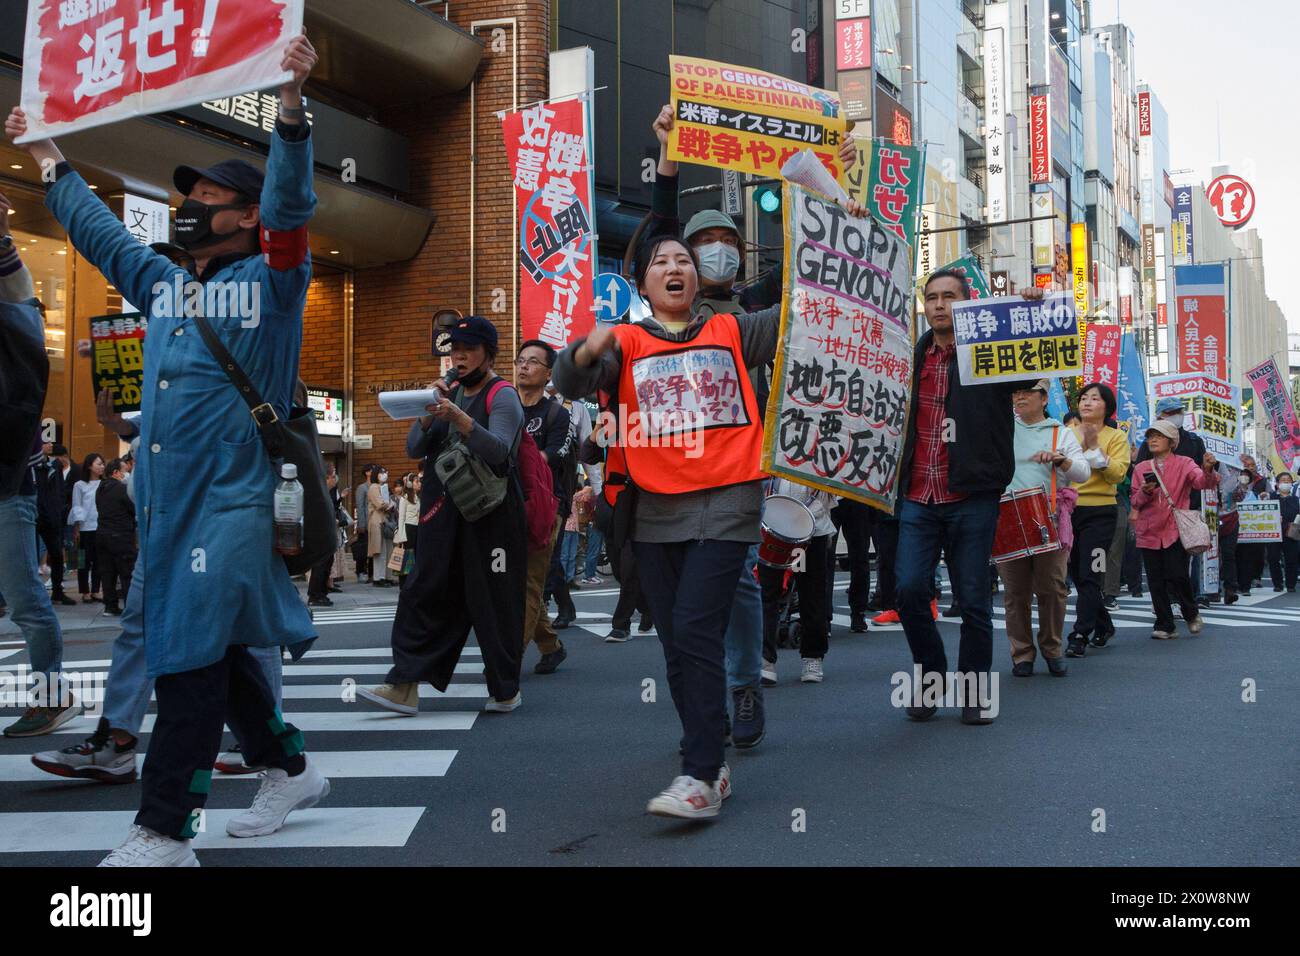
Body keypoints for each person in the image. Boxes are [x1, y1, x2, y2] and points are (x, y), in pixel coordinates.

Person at [8, 33, 330, 867]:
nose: (192, 207)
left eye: (212, 197)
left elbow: (293, 211)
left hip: (231, 506)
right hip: (170, 510)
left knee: (185, 660)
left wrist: (292, 111)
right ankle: (287, 768)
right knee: (214, 652)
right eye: (191, 197)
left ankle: (163, 830)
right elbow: (107, 241)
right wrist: (49, 158)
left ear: (249, 216)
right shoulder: (171, 286)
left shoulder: (276, 279)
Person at [555, 230, 798, 818]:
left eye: (684, 261)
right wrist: (584, 354)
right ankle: (707, 752)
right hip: (653, 510)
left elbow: (802, 304)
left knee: (693, 628)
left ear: (696, 281)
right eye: (661, 262)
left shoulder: (732, 329)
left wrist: (834, 201)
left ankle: (700, 772)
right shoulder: (628, 341)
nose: (675, 268)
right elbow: (573, 380)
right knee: (676, 643)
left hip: (728, 500)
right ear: (644, 284)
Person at [358, 315, 527, 714]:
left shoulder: (502, 395)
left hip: (491, 517)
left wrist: (460, 419)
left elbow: (501, 452)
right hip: (442, 513)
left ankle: (505, 688)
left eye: (468, 350)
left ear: (488, 353)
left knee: (493, 600)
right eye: (454, 351)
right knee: (421, 590)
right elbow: (415, 448)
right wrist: (429, 411)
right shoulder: (446, 392)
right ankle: (404, 685)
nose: (459, 357)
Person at [894, 270, 1041, 725]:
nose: (939, 305)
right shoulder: (906, 355)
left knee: (973, 597)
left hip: (972, 492)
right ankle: (932, 673)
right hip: (918, 493)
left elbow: (1032, 367)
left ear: (967, 302)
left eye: (949, 297)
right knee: (908, 589)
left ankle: (974, 689)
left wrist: (1028, 312)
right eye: (932, 298)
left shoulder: (989, 353)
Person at [0, 191, 80, 737]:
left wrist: (2, 235)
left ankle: (53, 695)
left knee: (25, 599)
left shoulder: (17, 331)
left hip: (8, 485)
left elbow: (18, 291)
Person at [997, 380, 1089, 676]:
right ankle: (1021, 653)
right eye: (1016, 392)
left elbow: (1083, 473)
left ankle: (1052, 647)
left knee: (1052, 587)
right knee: (1015, 592)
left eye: (1027, 392)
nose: (1020, 397)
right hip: (1008, 518)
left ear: (1044, 398)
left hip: (1048, 518)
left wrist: (1060, 460)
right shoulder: (1002, 428)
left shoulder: (1059, 432)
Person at [1129, 421, 1218, 639]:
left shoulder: (1185, 463)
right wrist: (1145, 492)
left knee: (1177, 574)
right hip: (1148, 529)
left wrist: (1208, 470)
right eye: (1150, 436)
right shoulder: (1141, 468)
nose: (1153, 440)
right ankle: (1164, 624)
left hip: (1175, 528)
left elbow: (1202, 483)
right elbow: (1134, 500)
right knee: (1155, 579)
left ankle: (1190, 612)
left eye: (1159, 436)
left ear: (1171, 442)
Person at [515, 339, 572, 673]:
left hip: (545, 507)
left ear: (548, 373)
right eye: (520, 360)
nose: (524, 366)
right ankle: (550, 645)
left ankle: (509, 657)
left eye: (533, 362)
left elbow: (554, 455)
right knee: (514, 581)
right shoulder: (504, 406)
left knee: (530, 582)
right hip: (505, 504)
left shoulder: (556, 414)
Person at [1064, 383, 1130, 657]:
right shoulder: (1065, 434)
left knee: (1091, 572)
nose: (1087, 402)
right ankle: (1104, 624)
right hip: (1067, 511)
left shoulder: (1116, 437)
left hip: (1101, 513)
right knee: (1077, 575)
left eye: (1095, 398)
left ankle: (1079, 633)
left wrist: (1096, 454)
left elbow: (1118, 475)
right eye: (1084, 398)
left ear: (1107, 406)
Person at [758, 479, 836, 684]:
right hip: (772, 522)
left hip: (813, 527)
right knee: (767, 593)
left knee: (812, 593)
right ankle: (765, 658)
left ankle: (813, 656)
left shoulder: (823, 447)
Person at [1136, 396, 1208, 604]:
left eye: (1178, 411)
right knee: (1157, 568)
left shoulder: (1194, 442)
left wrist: (1210, 471)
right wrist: (1143, 495)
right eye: (1168, 413)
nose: (1175, 416)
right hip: (1154, 514)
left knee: (1180, 564)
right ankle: (1165, 609)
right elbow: (1138, 477)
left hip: (1185, 512)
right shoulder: (1148, 444)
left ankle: (1185, 602)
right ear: (1159, 416)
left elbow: (1202, 477)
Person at [94, 457, 137, 617]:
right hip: (120, 535)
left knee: (107, 572)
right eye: (125, 471)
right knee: (126, 572)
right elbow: (133, 509)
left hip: (102, 534)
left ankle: (110, 606)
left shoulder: (101, 488)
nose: (127, 474)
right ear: (116, 472)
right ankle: (130, 606)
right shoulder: (122, 489)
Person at [35, 440, 76, 606]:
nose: (50, 445)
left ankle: (58, 592)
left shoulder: (55, 466)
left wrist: (58, 510)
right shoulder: (31, 464)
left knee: (57, 554)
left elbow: (60, 490)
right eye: (45, 443)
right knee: (29, 556)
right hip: (33, 513)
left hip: (52, 516)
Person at [1233, 454, 1270, 595]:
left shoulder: (1261, 482)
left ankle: (1246, 585)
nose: (1248, 469)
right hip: (1234, 525)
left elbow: (1270, 502)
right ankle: (1235, 582)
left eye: (1251, 465)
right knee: (1235, 555)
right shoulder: (1232, 485)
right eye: (1245, 466)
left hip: (1253, 526)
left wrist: (1265, 498)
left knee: (1251, 555)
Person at [69, 453, 104, 603]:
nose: (102, 466)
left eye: (103, 464)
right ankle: (84, 591)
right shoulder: (79, 485)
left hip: (101, 526)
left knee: (99, 561)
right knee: (82, 561)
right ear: (89, 466)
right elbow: (77, 505)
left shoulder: (105, 483)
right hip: (85, 527)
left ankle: (96, 590)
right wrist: (76, 527)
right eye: (98, 464)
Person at [307, 465, 342, 607]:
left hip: (327, 532)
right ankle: (315, 595)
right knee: (320, 564)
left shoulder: (328, 493)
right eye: (333, 476)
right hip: (319, 533)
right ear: (326, 478)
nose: (335, 479)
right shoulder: (318, 492)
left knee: (327, 563)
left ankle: (322, 593)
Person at [367, 465, 397, 587]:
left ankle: (387, 576)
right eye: (381, 472)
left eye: (385, 472)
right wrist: (391, 504)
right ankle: (378, 578)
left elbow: (388, 503)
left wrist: (390, 504)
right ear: (376, 474)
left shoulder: (383, 487)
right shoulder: (374, 487)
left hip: (385, 521)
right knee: (380, 551)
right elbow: (380, 504)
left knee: (388, 550)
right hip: (377, 521)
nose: (384, 474)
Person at [395, 472, 421, 586]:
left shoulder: (418, 497)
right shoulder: (404, 498)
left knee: (415, 555)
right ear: (410, 483)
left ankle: (413, 581)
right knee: (406, 556)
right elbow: (401, 518)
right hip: (408, 528)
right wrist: (401, 535)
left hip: (417, 528)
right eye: (416, 481)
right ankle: (403, 583)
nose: (419, 483)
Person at [1276, 472, 1299, 592]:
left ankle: (1291, 584)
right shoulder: (1271, 497)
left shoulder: (1296, 499)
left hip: (1291, 532)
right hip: (1274, 533)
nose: (1285, 482)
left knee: (1291, 559)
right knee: (1273, 558)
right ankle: (1277, 584)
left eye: (1288, 480)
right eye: (1283, 480)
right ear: (1277, 483)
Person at [353, 464, 372, 582]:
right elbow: (360, 506)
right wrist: (361, 524)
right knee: (362, 549)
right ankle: (360, 571)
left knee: (373, 550)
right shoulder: (362, 488)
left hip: (375, 523)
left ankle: (371, 573)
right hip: (365, 523)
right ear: (367, 473)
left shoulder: (378, 486)